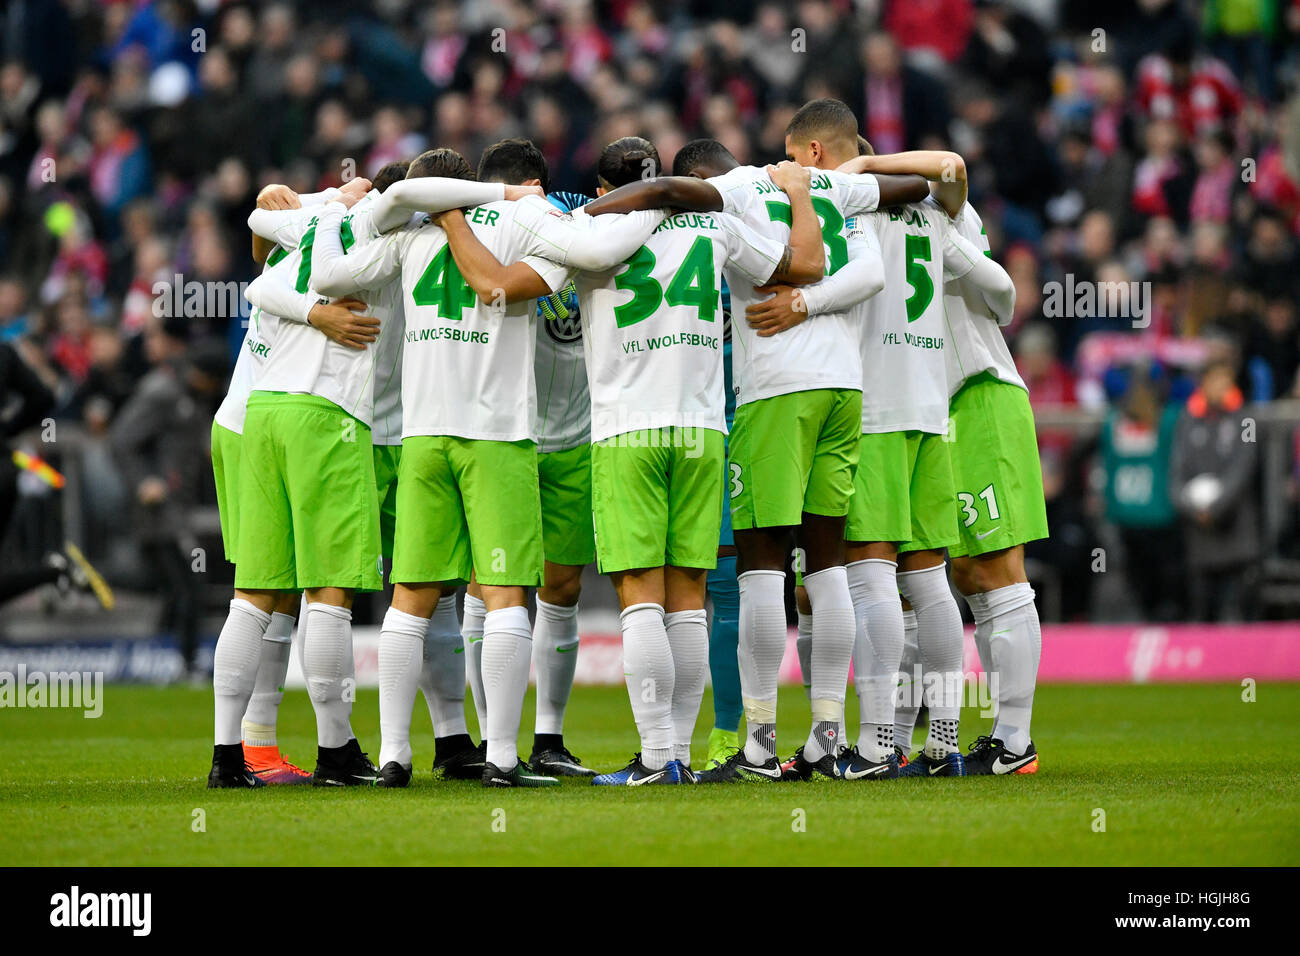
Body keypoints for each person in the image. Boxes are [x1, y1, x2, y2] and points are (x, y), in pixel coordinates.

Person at [311, 141, 664, 787]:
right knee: (505, 595)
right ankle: (502, 756)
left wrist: (335, 211)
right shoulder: (520, 218)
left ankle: (395, 756)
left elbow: (328, 278)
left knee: (410, 596)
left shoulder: (408, 240)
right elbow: (588, 256)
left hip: (421, 436)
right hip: (497, 436)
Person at [799, 102, 1014, 778]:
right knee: (928, 585)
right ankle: (944, 739)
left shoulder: (846, 207)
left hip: (874, 411)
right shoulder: (929, 211)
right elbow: (954, 176)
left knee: (871, 580)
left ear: (820, 155)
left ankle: (878, 745)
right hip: (931, 410)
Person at [1170, 360, 1260, 621]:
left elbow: (1244, 468)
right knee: (1203, 606)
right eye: (1216, 380)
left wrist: (1217, 506)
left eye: (1226, 380)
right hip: (1199, 528)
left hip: (1236, 527)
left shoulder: (1245, 419)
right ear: (1204, 383)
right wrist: (1189, 505)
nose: (1221, 387)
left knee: (1241, 605)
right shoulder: (1187, 419)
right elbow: (1176, 471)